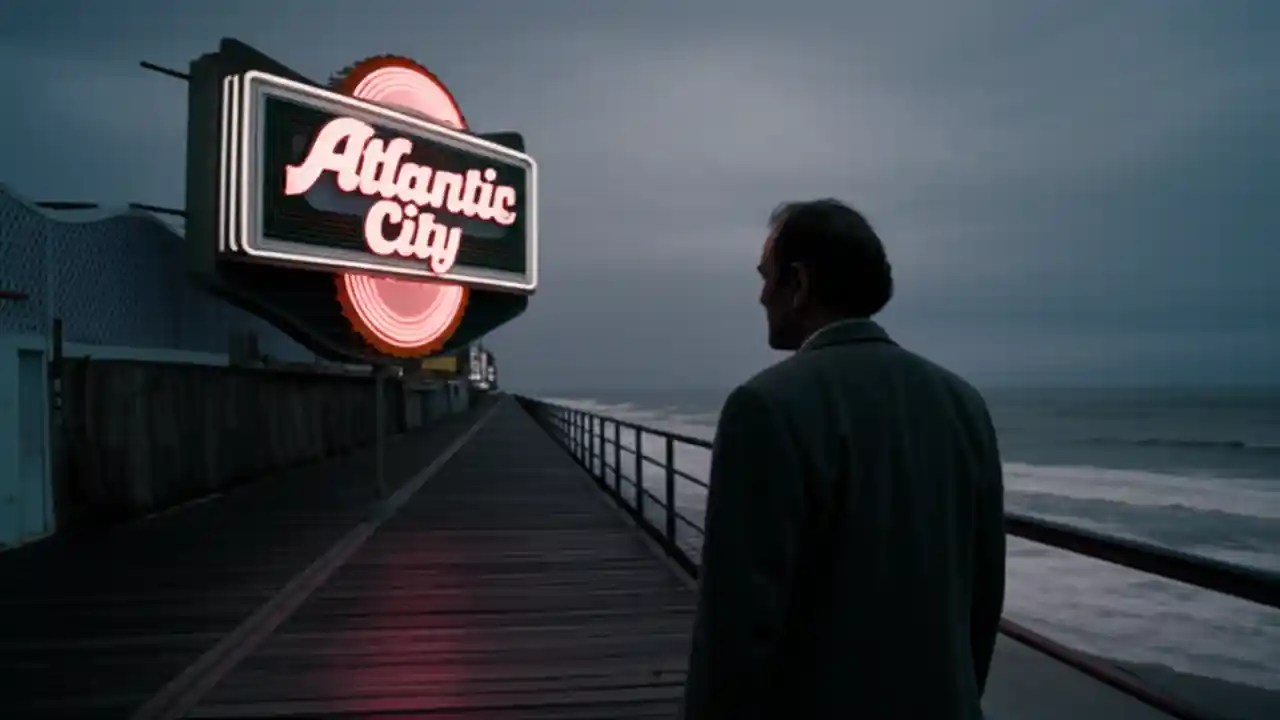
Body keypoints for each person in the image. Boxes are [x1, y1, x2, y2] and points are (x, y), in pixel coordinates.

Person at [681, 199, 1006, 719]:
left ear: (799, 284)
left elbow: (737, 628)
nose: (761, 296)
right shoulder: (963, 402)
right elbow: (983, 597)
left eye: (766, 277)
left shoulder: (765, 406)